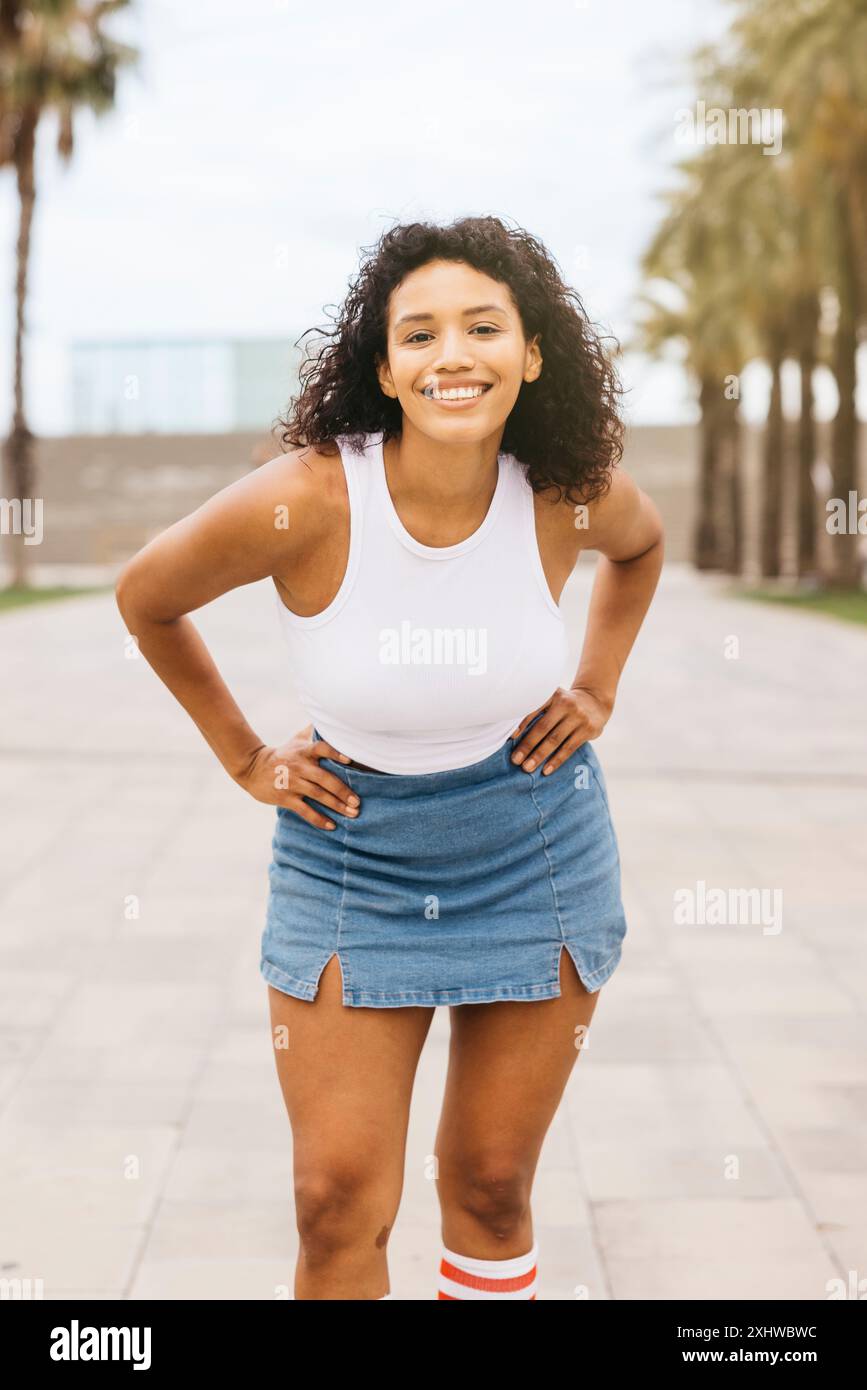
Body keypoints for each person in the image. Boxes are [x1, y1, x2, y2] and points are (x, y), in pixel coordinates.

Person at [115, 214, 664, 1301]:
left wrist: (596, 687)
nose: (453, 356)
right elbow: (149, 594)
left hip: (534, 846)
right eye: (419, 335)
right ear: (385, 366)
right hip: (352, 859)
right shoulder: (310, 497)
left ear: (533, 352)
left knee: (494, 1184)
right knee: (334, 1203)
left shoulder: (564, 486)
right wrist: (244, 758)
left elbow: (639, 550)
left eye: (482, 327)